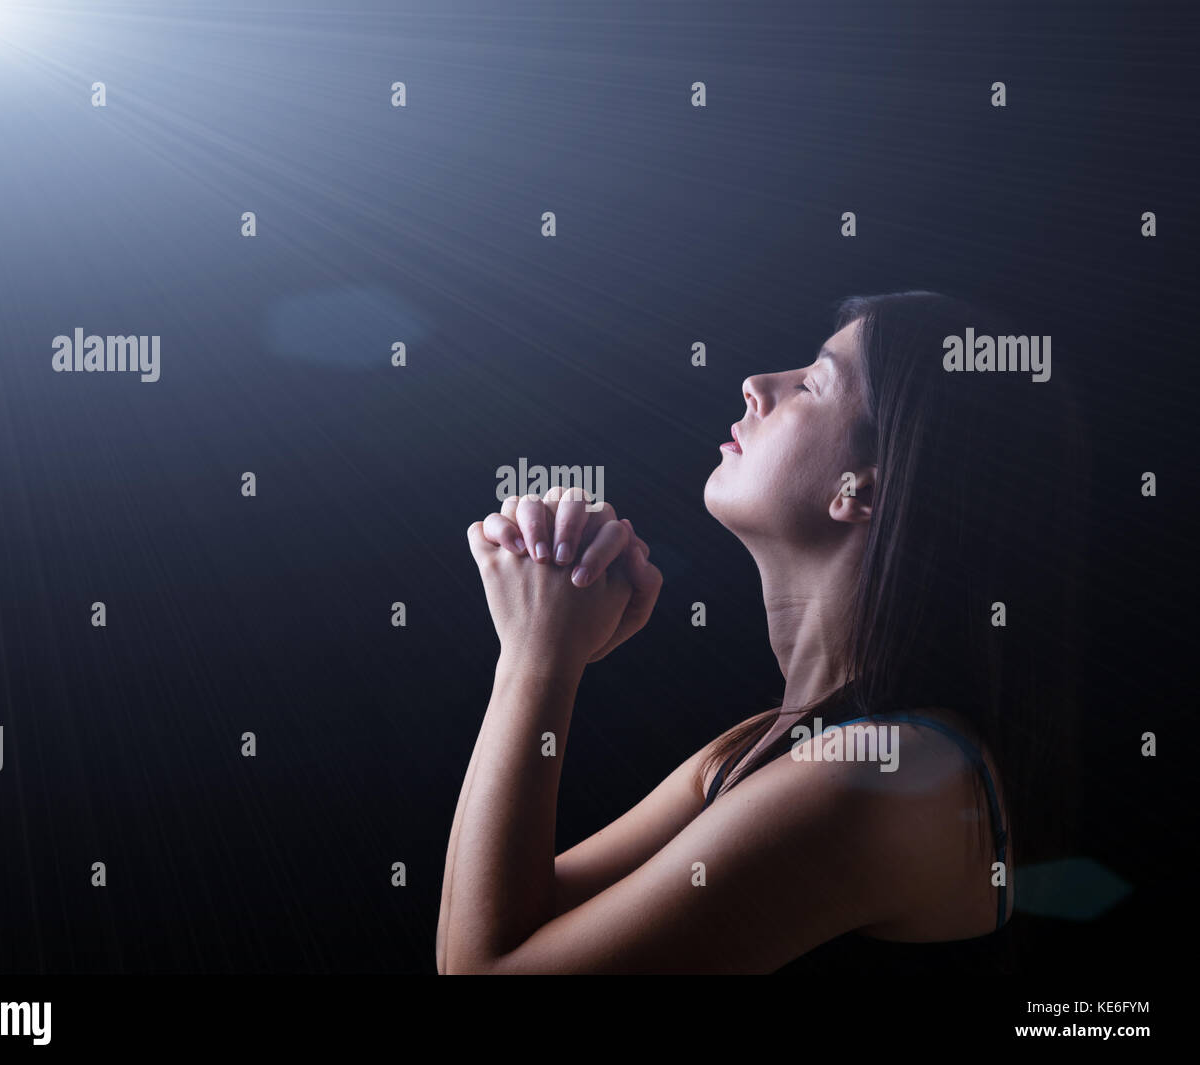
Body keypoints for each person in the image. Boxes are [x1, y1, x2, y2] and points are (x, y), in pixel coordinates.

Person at [437, 290, 1083, 975]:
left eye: (810, 382)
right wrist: (540, 640)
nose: (755, 386)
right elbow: (495, 924)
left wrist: (537, 656)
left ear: (861, 489)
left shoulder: (881, 772)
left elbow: (482, 968)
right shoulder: (764, 742)